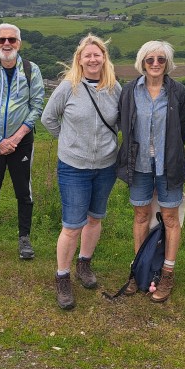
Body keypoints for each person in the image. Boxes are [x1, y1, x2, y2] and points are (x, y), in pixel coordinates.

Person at [41, 34, 122, 310]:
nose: (92, 59)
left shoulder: (114, 88)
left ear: (104, 59)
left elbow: (122, 121)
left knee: (95, 218)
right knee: (72, 225)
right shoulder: (68, 87)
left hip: (106, 167)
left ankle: (84, 265)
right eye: (87, 55)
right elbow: (48, 118)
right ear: (79, 59)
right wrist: (68, 141)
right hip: (74, 167)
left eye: (97, 55)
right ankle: (62, 277)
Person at [116, 40, 185, 302]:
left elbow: (183, 130)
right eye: (150, 60)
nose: (156, 64)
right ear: (142, 63)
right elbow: (124, 124)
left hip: (169, 164)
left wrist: (168, 153)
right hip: (138, 165)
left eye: (161, 59)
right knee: (140, 215)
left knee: (170, 218)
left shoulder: (178, 91)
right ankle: (138, 271)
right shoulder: (129, 91)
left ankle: (167, 273)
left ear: (167, 63)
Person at [0, 23, 45, 262]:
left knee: (23, 192)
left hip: (21, 142)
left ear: (19, 44)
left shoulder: (31, 69)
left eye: (12, 40)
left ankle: (24, 238)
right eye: (2, 40)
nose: (6, 44)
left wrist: (15, 138)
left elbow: (36, 107)